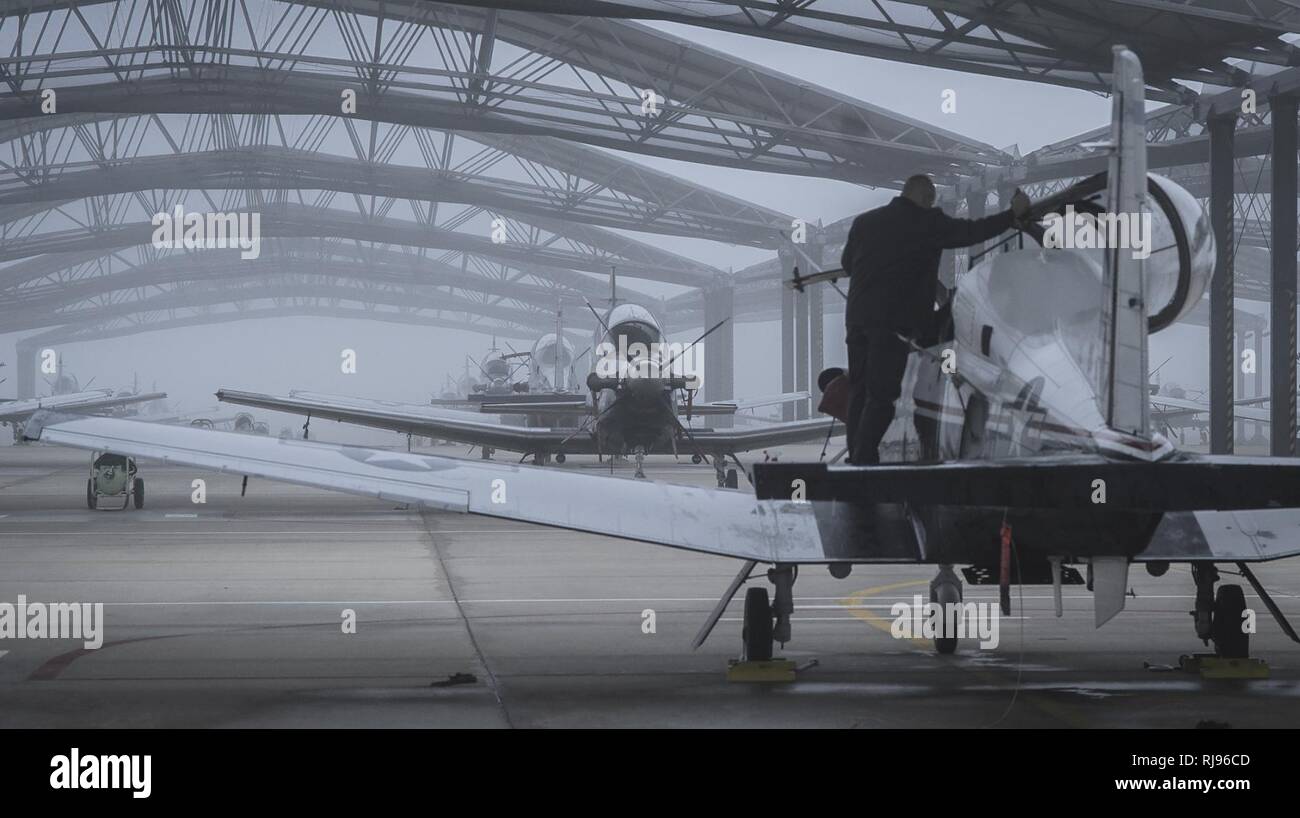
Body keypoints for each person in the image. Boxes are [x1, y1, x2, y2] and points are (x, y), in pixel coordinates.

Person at [840, 174, 1031, 464]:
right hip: (894, 324)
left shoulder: (864, 222)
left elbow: (847, 265)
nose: (932, 205)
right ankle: (863, 461)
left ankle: (854, 456)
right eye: (930, 201)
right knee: (881, 395)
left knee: (860, 390)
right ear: (925, 198)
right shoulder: (927, 222)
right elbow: (972, 232)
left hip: (857, 319)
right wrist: (1011, 215)